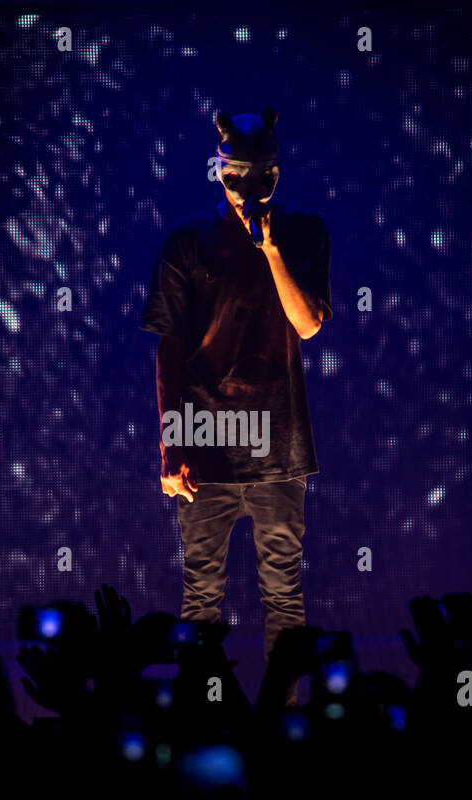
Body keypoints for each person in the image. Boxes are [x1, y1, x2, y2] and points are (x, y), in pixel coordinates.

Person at [140, 106, 333, 705]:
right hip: (206, 447)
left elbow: (308, 325)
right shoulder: (186, 239)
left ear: (276, 175)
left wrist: (272, 252)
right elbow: (169, 350)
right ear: (219, 173)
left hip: (278, 446)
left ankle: (281, 724)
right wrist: (172, 446)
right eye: (236, 177)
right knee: (201, 596)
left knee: (284, 595)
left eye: (262, 178)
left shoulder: (303, 231)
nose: (248, 190)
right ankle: (206, 721)